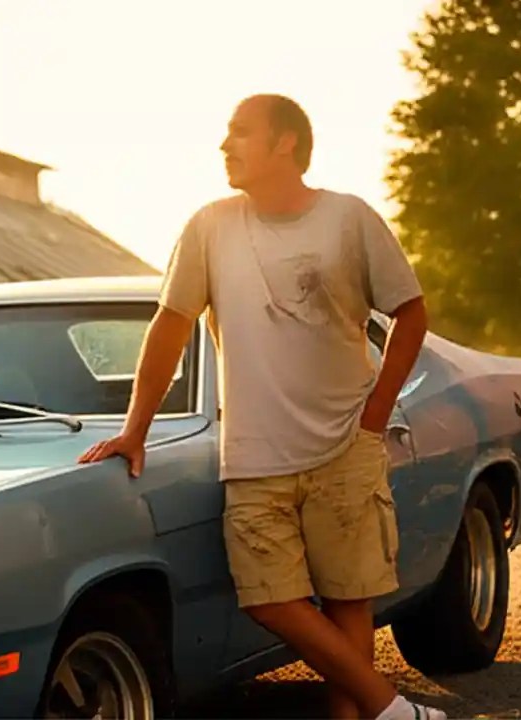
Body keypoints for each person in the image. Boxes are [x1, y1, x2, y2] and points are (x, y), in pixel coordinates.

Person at [77, 94, 446, 720]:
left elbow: (410, 313)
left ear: (285, 144)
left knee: (347, 601)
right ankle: (393, 711)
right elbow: (169, 327)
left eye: (240, 132)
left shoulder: (349, 218)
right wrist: (133, 430)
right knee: (268, 600)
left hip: (344, 446)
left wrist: (375, 416)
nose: (225, 145)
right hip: (252, 455)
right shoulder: (210, 226)